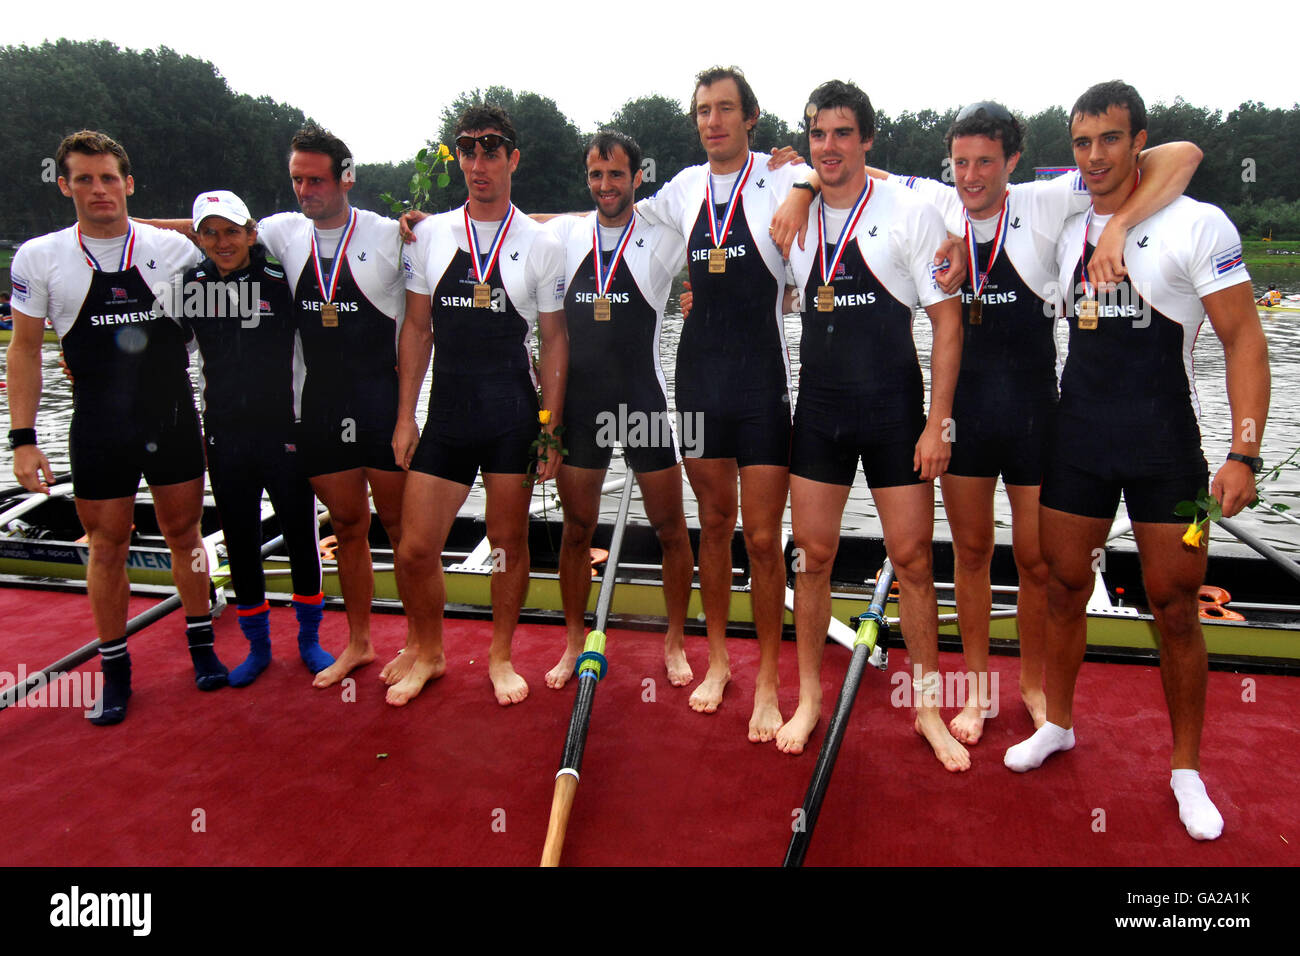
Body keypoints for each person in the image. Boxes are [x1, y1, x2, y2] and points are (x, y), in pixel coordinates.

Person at [841, 104, 1201, 743]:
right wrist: (803, 183)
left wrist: (1117, 227)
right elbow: (856, 170)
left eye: (986, 162)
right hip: (965, 417)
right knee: (972, 556)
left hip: (1038, 415)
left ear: (1012, 160)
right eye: (960, 163)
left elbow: (1183, 155)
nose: (972, 177)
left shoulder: (1045, 199)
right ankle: (977, 691)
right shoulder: (935, 203)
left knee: (1038, 564)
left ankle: (1033, 686)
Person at [1004, 81, 1270, 842]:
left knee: (1175, 606)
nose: (1094, 157)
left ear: (1138, 141)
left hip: (1163, 444)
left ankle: (1186, 769)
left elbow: (1244, 341)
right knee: (1061, 586)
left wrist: (1244, 451)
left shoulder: (1196, 223)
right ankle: (1057, 724)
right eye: (1081, 143)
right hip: (1078, 437)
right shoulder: (1061, 213)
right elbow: (955, 184)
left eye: (1111, 140)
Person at [143, 125, 408, 689]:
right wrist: (125, 224)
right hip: (253, 427)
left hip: (337, 415)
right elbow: (163, 338)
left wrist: (423, 221)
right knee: (321, 529)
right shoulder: (272, 240)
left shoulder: (302, 261)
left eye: (316, 178)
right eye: (296, 179)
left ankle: (397, 643)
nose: (305, 189)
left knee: (395, 532)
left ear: (346, 176)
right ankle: (304, 644)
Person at [778, 80, 966, 768]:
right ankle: (807, 698)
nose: (829, 147)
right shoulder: (790, 209)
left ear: (866, 141)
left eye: (842, 133)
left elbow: (947, 324)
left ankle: (927, 709)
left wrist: (937, 423)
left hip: (894, 414)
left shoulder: (911, 212)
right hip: (822, 411)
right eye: (817, 134)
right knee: (812, 556)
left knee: (915, 563)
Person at [7, 130, 224, 724]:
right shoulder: (40, 256)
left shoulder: (173, 249)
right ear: (64, 185)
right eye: (85, 179)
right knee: (107, 547)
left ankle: (202, 645)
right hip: (100, 424)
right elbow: (24, 351)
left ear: (128, 184)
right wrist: (22, 439)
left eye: (109, 179)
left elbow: (232, 237)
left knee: (187, 535)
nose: (98, 189)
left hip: (173, 414)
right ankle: (115, 668)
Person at [634, 66, 809, 742]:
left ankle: (768, 679)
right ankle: (717, 662)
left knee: (764, 539)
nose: (713, 121)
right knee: (713, 526)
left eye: (726, 109)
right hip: (700, 377)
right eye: (704, 110)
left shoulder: (782, 174)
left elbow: (838, 176)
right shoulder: (681, 188)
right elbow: (607, 218)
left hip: (763, 383)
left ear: (751, 116)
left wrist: (808, 178)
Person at [388, 104, 568, 707]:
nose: (479, 161)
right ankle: (431, 652)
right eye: (467, 149)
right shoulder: (431, 234)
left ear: (513, 158)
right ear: (457, 158)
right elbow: (416, 331)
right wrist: (404, 414)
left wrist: (550, 429)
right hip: (448, 415)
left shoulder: (539, 242)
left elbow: (555, 339)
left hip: (512, 416)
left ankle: (499, 656)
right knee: (415, 547)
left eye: (492, 148)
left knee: (505, 546)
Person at [543, 131, 694, 690]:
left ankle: (675, 642)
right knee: (577, 528)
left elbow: (724, 240)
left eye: (615, 175)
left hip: (643, 400)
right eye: (595, 175)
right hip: (580, 405)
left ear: (636, 177)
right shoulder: (564, 234)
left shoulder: (661, 235)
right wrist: (423, 225)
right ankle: (573, 639)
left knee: (671, 529)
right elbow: (507, 226)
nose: (605, 186)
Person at [179, 189, 330, 686]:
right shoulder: (190, 285)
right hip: (223, 434)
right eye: (211, 233)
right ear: (198, 238)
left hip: (284, 429)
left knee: (301, 536)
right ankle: (258, 647)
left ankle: (309, 640)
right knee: (241, 541)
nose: (223, 242)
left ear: (250, 233)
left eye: (232, 231)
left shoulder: (277, 281)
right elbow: (161, 351)